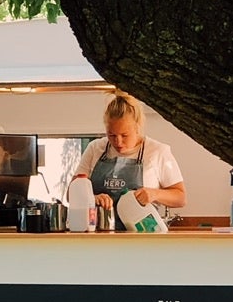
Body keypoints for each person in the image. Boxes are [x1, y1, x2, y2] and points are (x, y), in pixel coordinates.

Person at [72, 93, 186, 228]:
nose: (118, 142)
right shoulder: (95, 148)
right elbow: (71, 193)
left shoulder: (158, 152)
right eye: (112, 135)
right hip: (99, 236)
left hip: (142, 238)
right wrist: (92, 198)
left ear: (137, 127)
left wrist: (155, 194)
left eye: (124, 135)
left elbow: (180, 198)